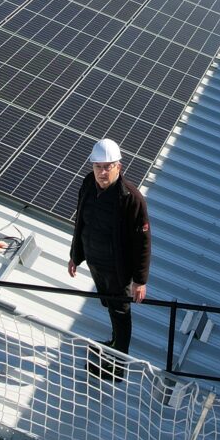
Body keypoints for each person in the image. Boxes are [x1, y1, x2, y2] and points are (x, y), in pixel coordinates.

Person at [67, 138, 150, 382]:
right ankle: (113, 343)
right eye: (98, 166)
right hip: (95, 263)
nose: (102, 172)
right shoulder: (87, 184)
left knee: (121, 312)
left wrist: (139, 280)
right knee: (111, 307)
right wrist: (75, 256)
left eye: (108, 166)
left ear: (119, 167)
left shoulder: (131, 198)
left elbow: (142, 242)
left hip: (117, 269)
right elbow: (80, 221)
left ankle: (117, 367)